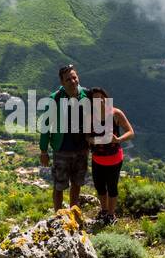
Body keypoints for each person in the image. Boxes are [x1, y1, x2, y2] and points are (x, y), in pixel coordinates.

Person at [38, 64, 90, 211]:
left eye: (74, 77)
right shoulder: (55, 99)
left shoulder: (86, 95)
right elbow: (45, 125)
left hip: (81, 149)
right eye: (68, 79)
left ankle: (73, 214)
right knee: (59, 185)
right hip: (62, 149)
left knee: (77, 184)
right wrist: (43, 151)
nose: (73, 81)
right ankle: (58, 216)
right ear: (62, 82)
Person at [86, 87, 135, 226]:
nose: (99, 100)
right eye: (95, 98)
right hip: (97, 158)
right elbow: (86, 136)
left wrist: (118, 140)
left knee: (112, 187)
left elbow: (131, 132)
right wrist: (90, 140)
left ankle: (111, 214)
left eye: (101, 97)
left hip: (114, 158)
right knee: (100, 186)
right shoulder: (90, 116)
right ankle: (104, 210)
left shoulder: (115, 113)